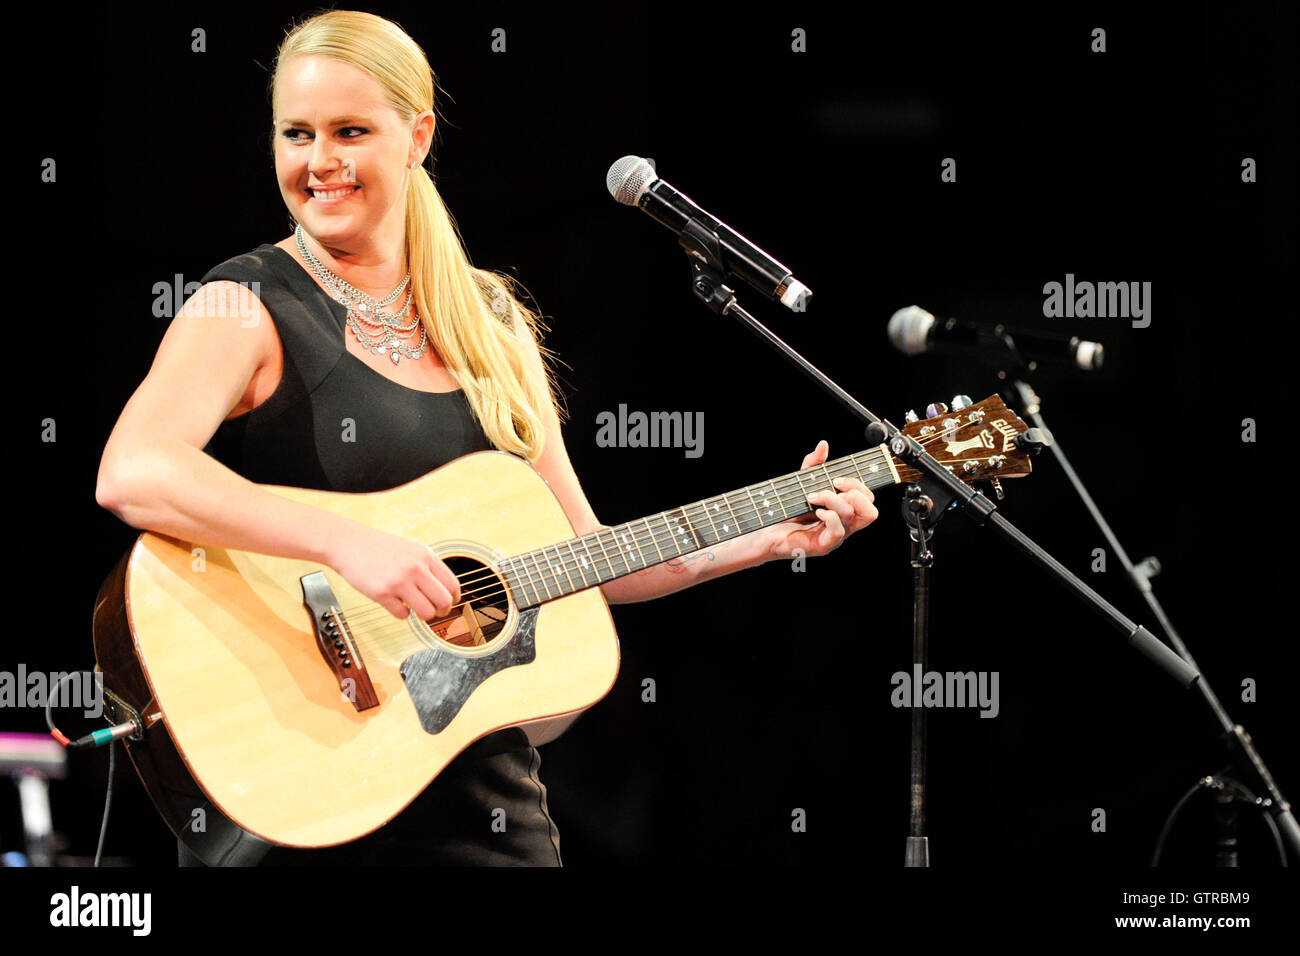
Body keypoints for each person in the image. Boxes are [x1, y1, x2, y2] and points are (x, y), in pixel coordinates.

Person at [94, 9, 879, 866]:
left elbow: (586, 553)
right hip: (306, 786)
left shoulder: (490, 319)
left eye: (350, 131)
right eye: (296, 133)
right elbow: (134, 470)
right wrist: (347, 543)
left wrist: (763, 540)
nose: (318, 162)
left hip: (484, 810)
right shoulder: (243, 301)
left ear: (417, 135)